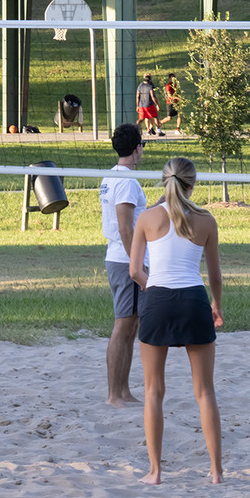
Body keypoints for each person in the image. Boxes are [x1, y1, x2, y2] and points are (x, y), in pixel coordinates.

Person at [127, 156, 224, 485]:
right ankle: (216, 472)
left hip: (157, 300)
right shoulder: (206, 220)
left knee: (153, 391)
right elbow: (215, 276)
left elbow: (135, 271)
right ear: (192, 184)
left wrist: (153, 289)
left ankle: (154, 472)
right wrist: (217, 305)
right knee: (205, 392)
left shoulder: (146, 217)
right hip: (194, 301)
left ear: (164, 180)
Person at [99, 122, 149, 408]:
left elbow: (135, 218)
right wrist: (137, 266)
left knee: (130, 327)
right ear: (136, 148)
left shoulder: (111, 176)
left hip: (118, 256)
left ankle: (124, 391)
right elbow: (126, 227)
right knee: (123, 327)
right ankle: (114, 395)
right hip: (124, 259)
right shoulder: (127, 181)